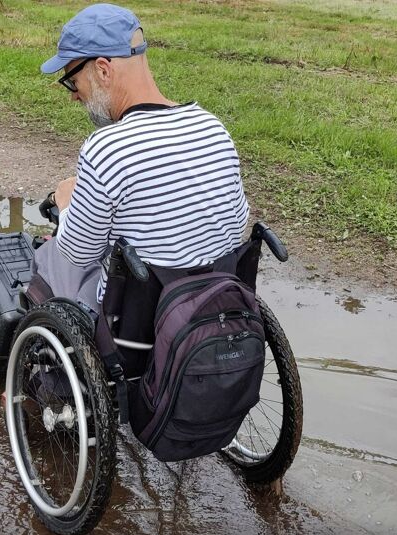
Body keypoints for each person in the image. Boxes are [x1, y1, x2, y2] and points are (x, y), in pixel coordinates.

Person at [32, 3, 249, 314]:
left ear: (103, 70)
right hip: (216, 304)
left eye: (72, 81)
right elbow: (237, 222)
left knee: (50, 258)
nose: (73, 95)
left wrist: (67, 204)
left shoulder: (107, 147)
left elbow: (78, 252)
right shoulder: (212, 126)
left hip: (137, 326)